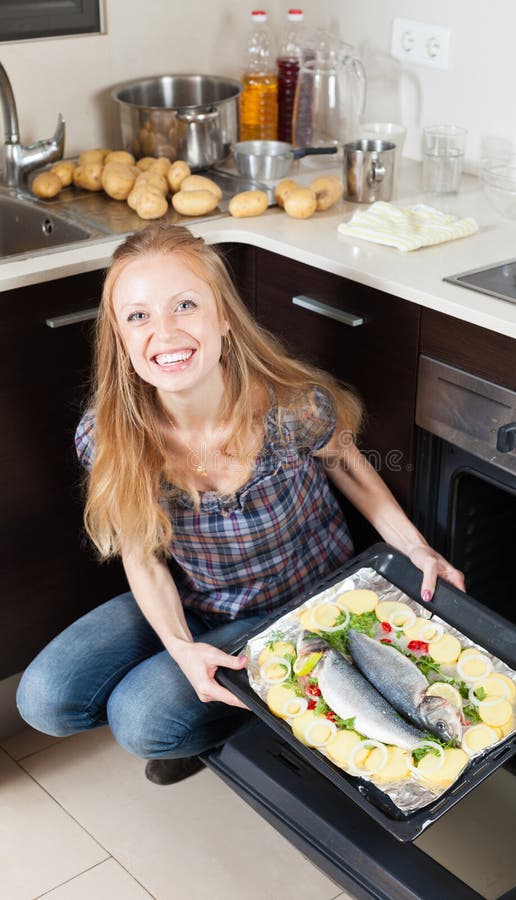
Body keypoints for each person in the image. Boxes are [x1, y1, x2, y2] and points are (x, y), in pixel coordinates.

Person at [17, 223, 464, 785]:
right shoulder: (109, 435)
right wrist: (181, 649)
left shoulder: (290, 406)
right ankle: (247, 692)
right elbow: (142, 555)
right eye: (138, 316)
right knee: (44, 699)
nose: (165, 332)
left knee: (140, 720)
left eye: (185, 305)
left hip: (302, 601)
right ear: (120, 338)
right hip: (198, 594)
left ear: (224, 317)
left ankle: (273, 708)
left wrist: (417, 549)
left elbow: (350, 468)